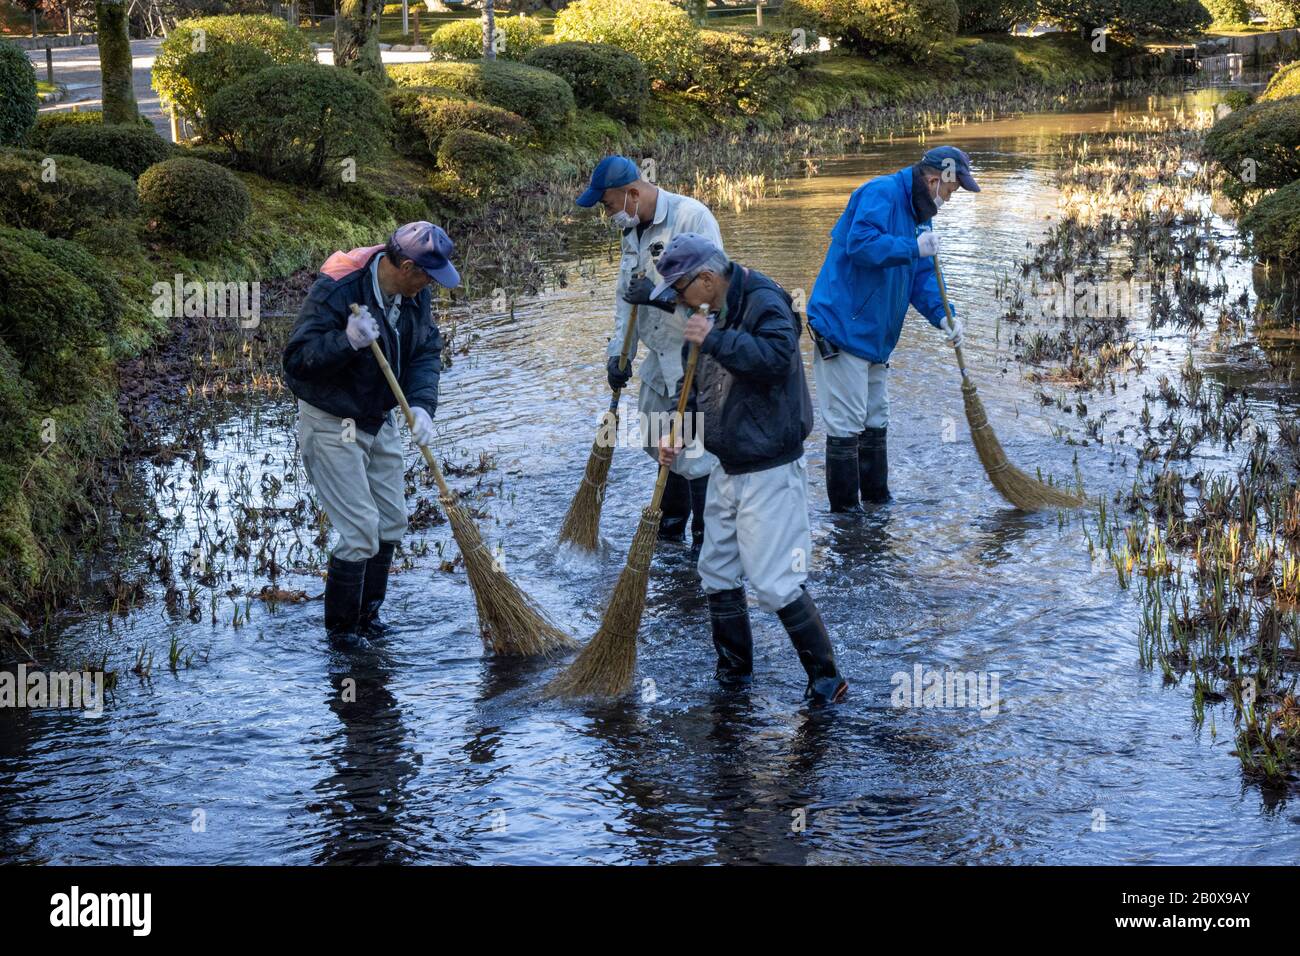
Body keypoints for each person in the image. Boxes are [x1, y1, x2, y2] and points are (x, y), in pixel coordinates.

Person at [655, 233, 847, 705]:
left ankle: (828, 681)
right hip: (728, 461)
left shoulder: (764, 300)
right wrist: (679, 430)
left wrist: (715, 338)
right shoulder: (706, 312)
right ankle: (735, 675)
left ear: (705, 278)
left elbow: (777, 360)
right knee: (716, 570)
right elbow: (693, 379)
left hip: (769, 466)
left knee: (774, 582)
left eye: (680, 292)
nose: (679, 303)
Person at [282, 221, 459, 649]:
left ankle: (368, 622)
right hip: (332, 419)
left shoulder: (415, 294)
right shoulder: (338, 290)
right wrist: (346, 342)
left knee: (391, 523)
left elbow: (426, 350)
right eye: (429, 276)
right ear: (408, 266)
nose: (431, 286)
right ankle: (343, 640)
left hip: (379, 417)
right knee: (361, 530)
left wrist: (421, 405)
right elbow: (297, 361)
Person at [806, 145, 979, 512]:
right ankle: (847, 520)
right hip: (843, 328)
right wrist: (911, 247)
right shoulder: (880, 193)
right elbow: (861, 245)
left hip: (876, 339)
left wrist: (945, 314)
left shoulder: (922, 212)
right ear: (935, 179)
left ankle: (877, 503)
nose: (951, 198)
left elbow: (922, 277)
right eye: (951, 190)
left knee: (876, 417)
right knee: (846, 425)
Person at [576, 155, 724, 556]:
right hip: (657, 356)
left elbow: (714, 298)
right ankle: (670, 531)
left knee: (693, 452)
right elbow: (626, 300)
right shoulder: (632, 232)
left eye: (607, 204)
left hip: (691, 354)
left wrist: (659, 298)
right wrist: (616, 355)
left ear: (633, 193)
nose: (607, 214)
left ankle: (704, 546)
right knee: (657, 439)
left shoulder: (692, 218)